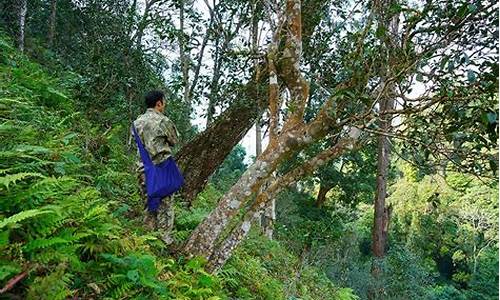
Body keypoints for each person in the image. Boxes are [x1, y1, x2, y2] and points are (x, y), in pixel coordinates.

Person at [133, 90, 179, 244]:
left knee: (148, 204)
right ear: (159, 103)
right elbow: (174, 140)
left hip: (143, 169)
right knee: (165, 206)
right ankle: (163, 241)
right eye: (164, 102)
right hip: (162, 168)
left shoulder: (136, 122)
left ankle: (146, 240)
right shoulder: (163, 121)